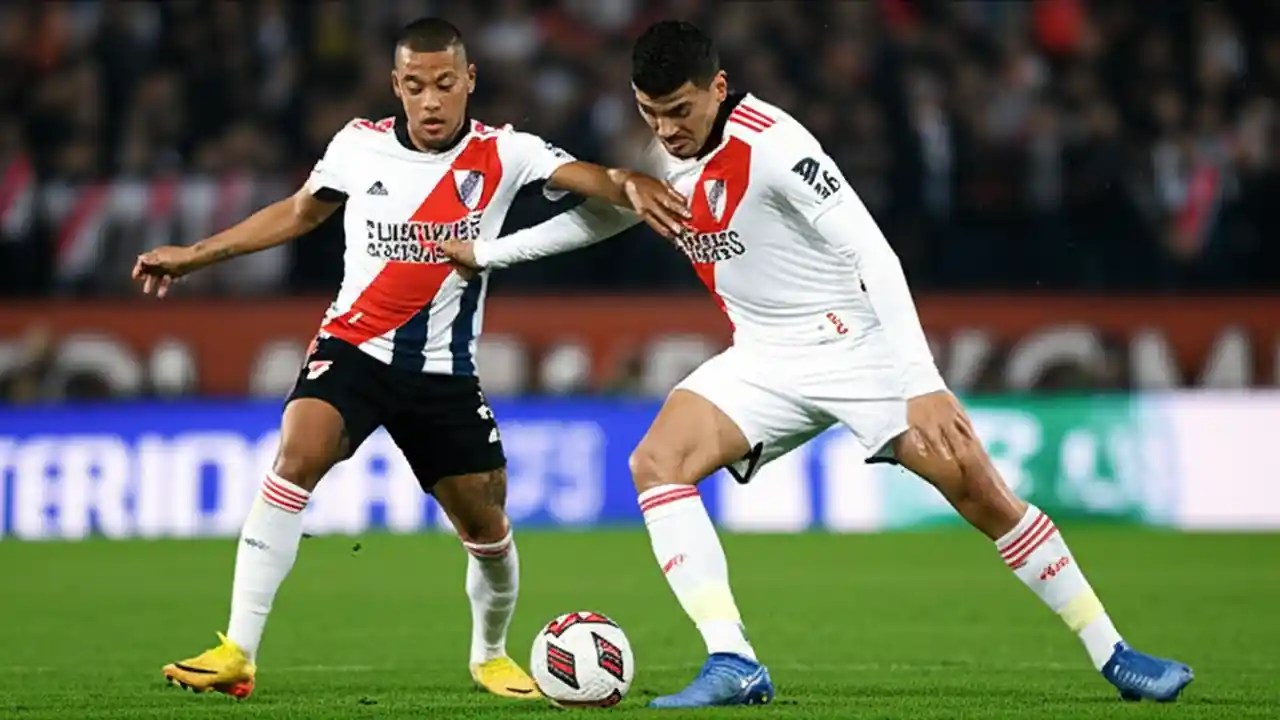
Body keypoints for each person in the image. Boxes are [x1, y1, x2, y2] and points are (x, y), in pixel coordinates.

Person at [441, 20, 1194, 709]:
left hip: (853, 349)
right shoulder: (660, 158)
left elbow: (873, 253)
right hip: (763, 358)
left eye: (679, 110)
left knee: (980, 492)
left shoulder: (776, 146)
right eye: (650, 112)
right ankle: (733, 660)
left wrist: (923, 383)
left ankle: (1114, 652)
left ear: (718, 88)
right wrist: (489, 254)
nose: (666, 129)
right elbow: (598, 220)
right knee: (656, 462)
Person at [131, 17, 687, 701]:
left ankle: (490, 656)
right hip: (353, 349)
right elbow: (300, 213)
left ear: (469, 81)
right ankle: (237, 651)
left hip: (443, 373)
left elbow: (594, 180)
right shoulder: (357, 145)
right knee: (297, 454)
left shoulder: (505, 152)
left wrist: (630, 181)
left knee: (486, 527)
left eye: (445, 84)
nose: (430, 101)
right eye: (416, 86)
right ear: (396, 85)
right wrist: (194, 256)